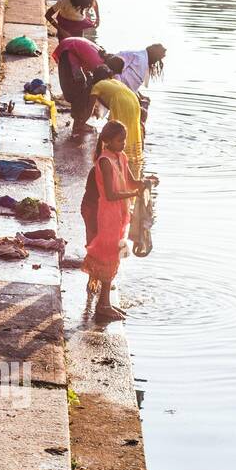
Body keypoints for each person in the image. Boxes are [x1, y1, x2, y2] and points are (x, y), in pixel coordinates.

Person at [81, 121, 148, 322]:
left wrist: (145, 183)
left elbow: (131, 182)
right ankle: (103, 305)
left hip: (116, 213)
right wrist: (134, 192)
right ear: (108, 141)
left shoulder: (121, 157)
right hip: (103, 211)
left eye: (124, 140)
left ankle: (102, 295)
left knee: (108, 251)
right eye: (120, 140)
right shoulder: (105, 162)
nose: (124, 144)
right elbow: (110, 194)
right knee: (107, 253)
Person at [90, 66, 143, 174]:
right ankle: (131, 159)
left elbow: (90, 105)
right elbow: (107, 102)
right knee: (130, 129)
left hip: (120, 102)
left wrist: (83, 120)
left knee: (113, 131)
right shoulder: (115, 82)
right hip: (134, 101)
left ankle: (109, 157)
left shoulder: (97, 85)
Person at [55, 36, 104, 137]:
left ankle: (78, 121)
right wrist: (91, 106)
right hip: (68, 50)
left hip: (68, 46)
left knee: (81, 87)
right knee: (78, 89)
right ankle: (78, 124)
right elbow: (93, 90)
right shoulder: (99, 66)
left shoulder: (101, 62)